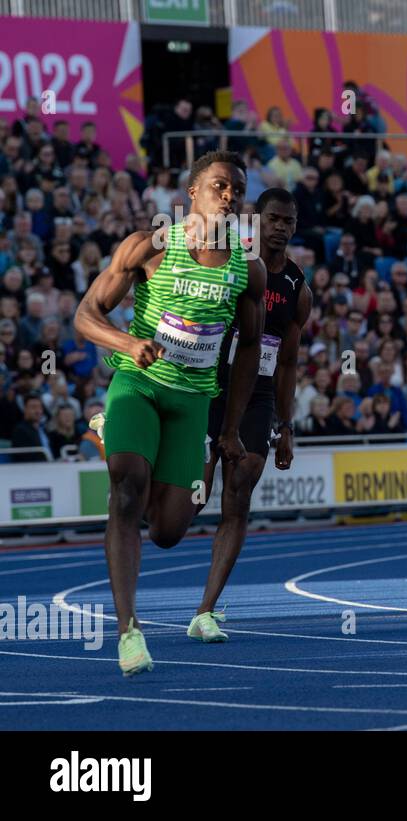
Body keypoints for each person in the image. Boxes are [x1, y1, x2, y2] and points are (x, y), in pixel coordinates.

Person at [74, 150, 268, 675]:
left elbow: (249, 347)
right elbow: (85, 315)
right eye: (219, 187)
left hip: (192, 401)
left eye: (237, 191)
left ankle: (106, 436)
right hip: (138, 384)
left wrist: (229, 427)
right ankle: (128, 632)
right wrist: (126, 341)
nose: (229, 198)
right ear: (192, 194)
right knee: (126, 489)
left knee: (166, 530)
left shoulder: (247, 270)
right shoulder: (149, 248)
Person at [190, 188, 311, 642]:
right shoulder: (231, 264)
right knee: (193, 501)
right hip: (212, 386)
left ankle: (205, 610)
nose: (281, 227)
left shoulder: (299, 288)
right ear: (256, 220)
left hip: (258, 398)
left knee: (239, 493)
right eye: (274, 218)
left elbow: (288, 363)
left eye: (289, 221)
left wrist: (286, 428)